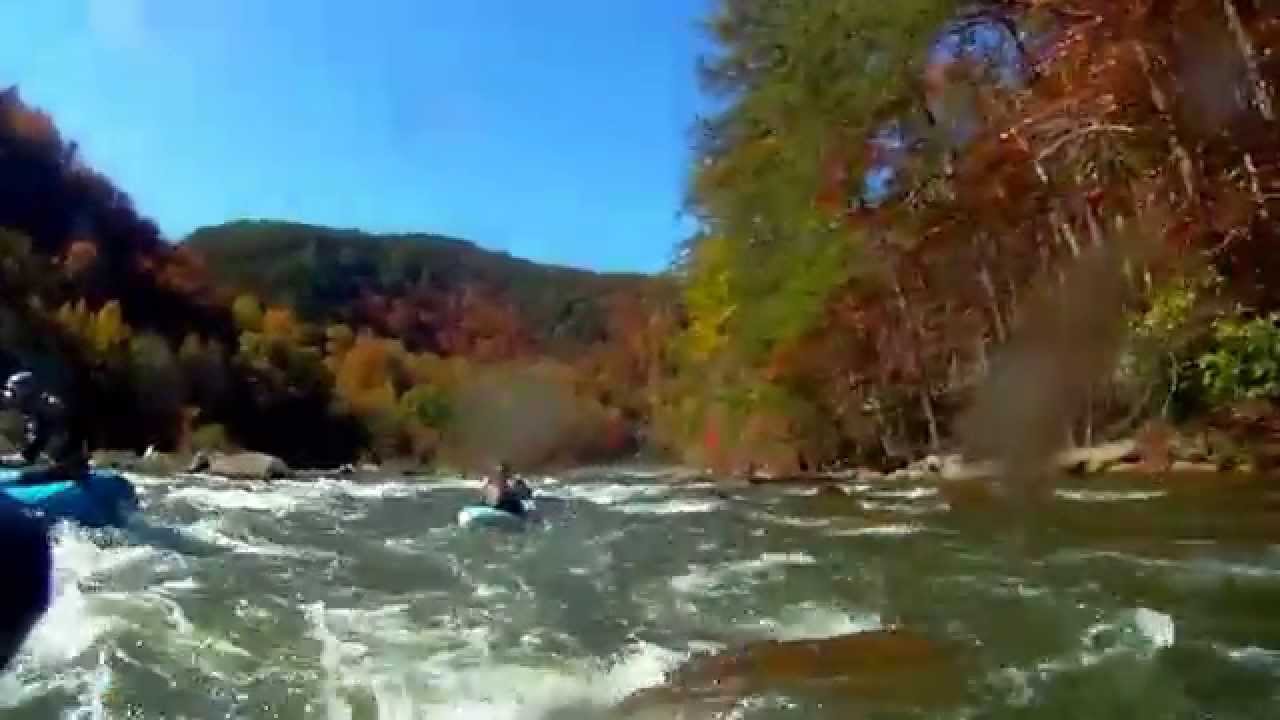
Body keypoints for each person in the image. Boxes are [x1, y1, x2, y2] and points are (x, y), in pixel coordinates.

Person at [0, 371, 88, 481]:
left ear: (27, 394)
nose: (8, 396)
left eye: (12, 392)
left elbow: (28, 457)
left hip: (68, 471)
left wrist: (2, 461)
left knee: (21, 478)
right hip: (58, 464)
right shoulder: (40, 408)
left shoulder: (48, 412)